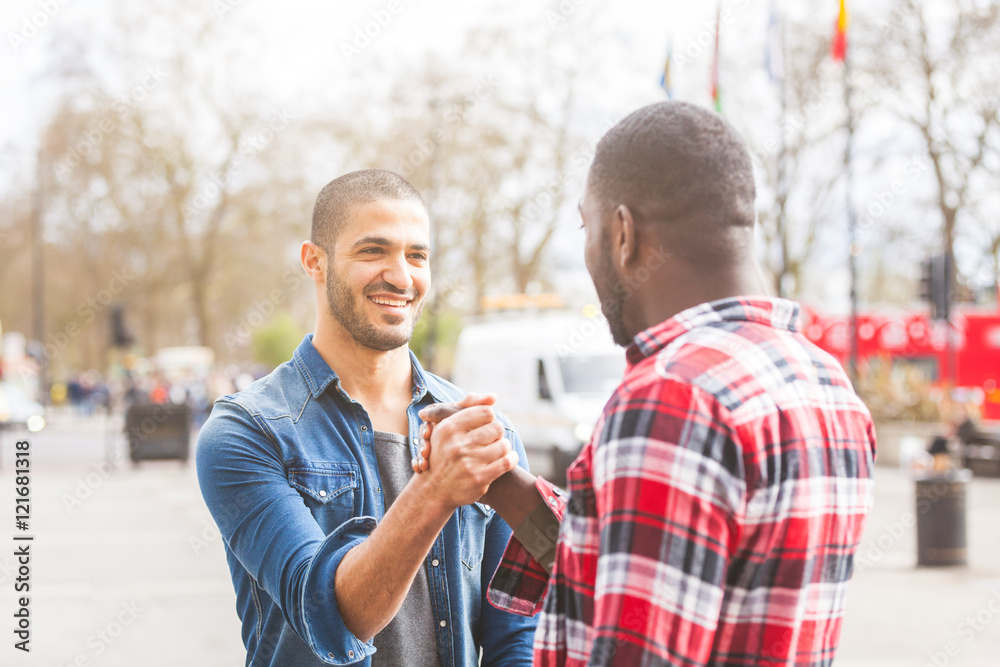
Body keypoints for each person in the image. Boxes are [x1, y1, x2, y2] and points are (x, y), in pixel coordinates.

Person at [417, 101, 878, 666]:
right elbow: (658, 575)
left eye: (588, 227)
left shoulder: (672, 397)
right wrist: (506, 487)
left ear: (623, 234)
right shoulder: (825, 383)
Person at [196, 169, 537, 666]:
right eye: (373, 251)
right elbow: (329, 617)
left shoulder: (487, 432)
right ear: (315, 261)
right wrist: (434, 491)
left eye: (417, 256)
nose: (401, 277)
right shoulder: (247, 431)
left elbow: (517, 634)